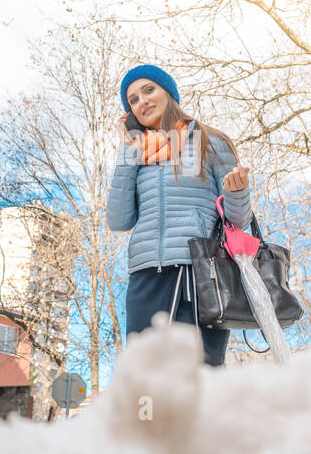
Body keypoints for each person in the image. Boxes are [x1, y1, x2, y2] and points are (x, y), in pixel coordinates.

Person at [107, 64, 253, 367]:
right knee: (144, 377)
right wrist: (127, 153)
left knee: (200, 373)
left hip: (198, 273)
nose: (142, 101)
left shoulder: (209, 142)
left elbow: (238, 221)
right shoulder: (135, 152)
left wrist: (237, 192)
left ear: (168, 93)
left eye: (149, 90)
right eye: (133, 99)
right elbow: (119, 220)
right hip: (146, 275)